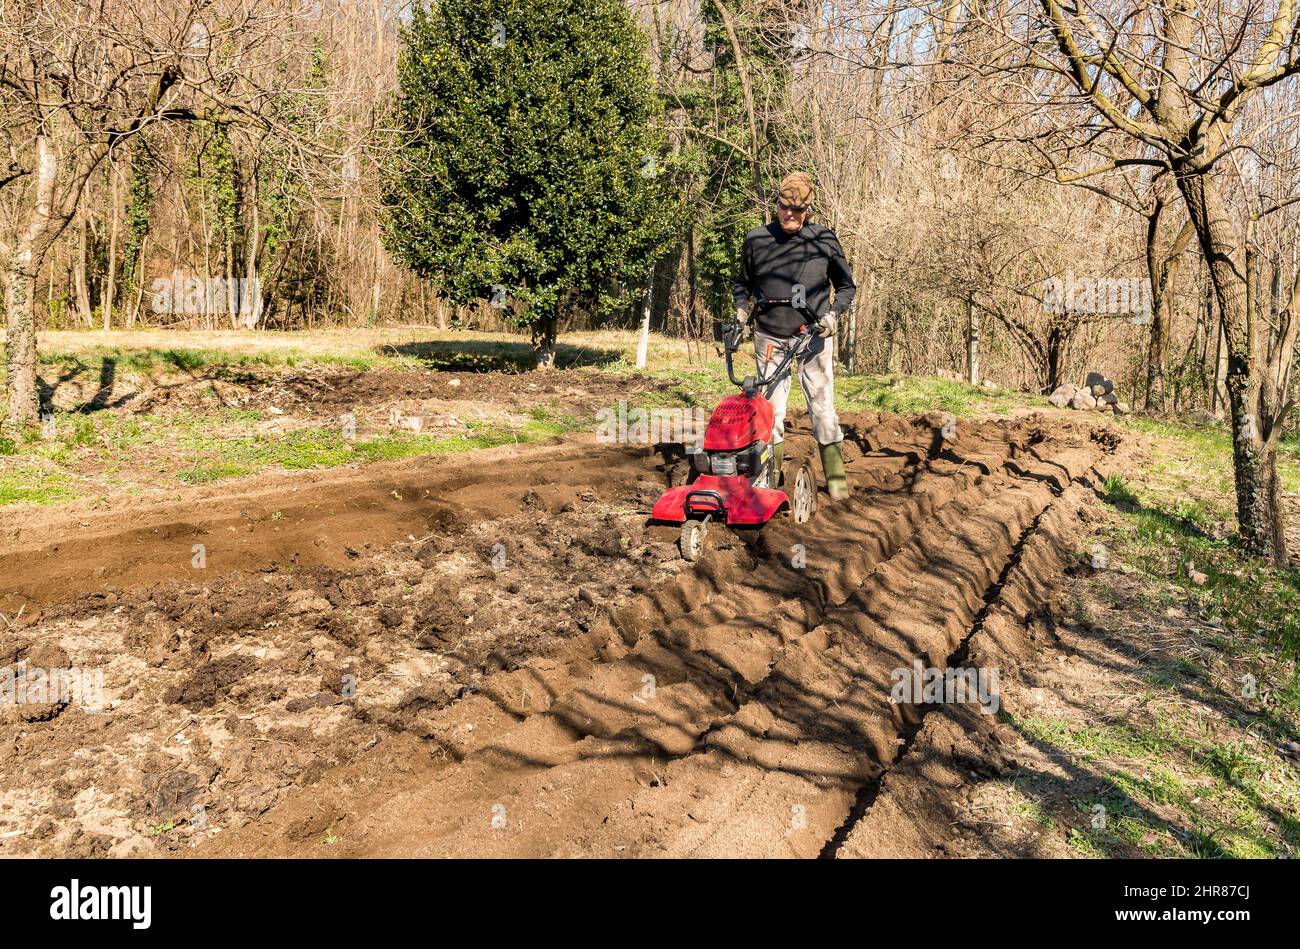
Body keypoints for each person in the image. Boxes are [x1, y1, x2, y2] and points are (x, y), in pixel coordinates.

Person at [732, 171, 856, 500]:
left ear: (808, 211)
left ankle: (837, 484)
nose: (790, 214)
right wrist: (741, 313)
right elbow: (741, 285)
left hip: (813, 338)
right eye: (785, 207)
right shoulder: (757, 240)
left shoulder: (824, 240)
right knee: (770, 413)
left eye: (798, 210)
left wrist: (832, 316)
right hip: (770, 337)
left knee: (823, 410)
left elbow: (847, 288)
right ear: (777, 205)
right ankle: (768, 486)